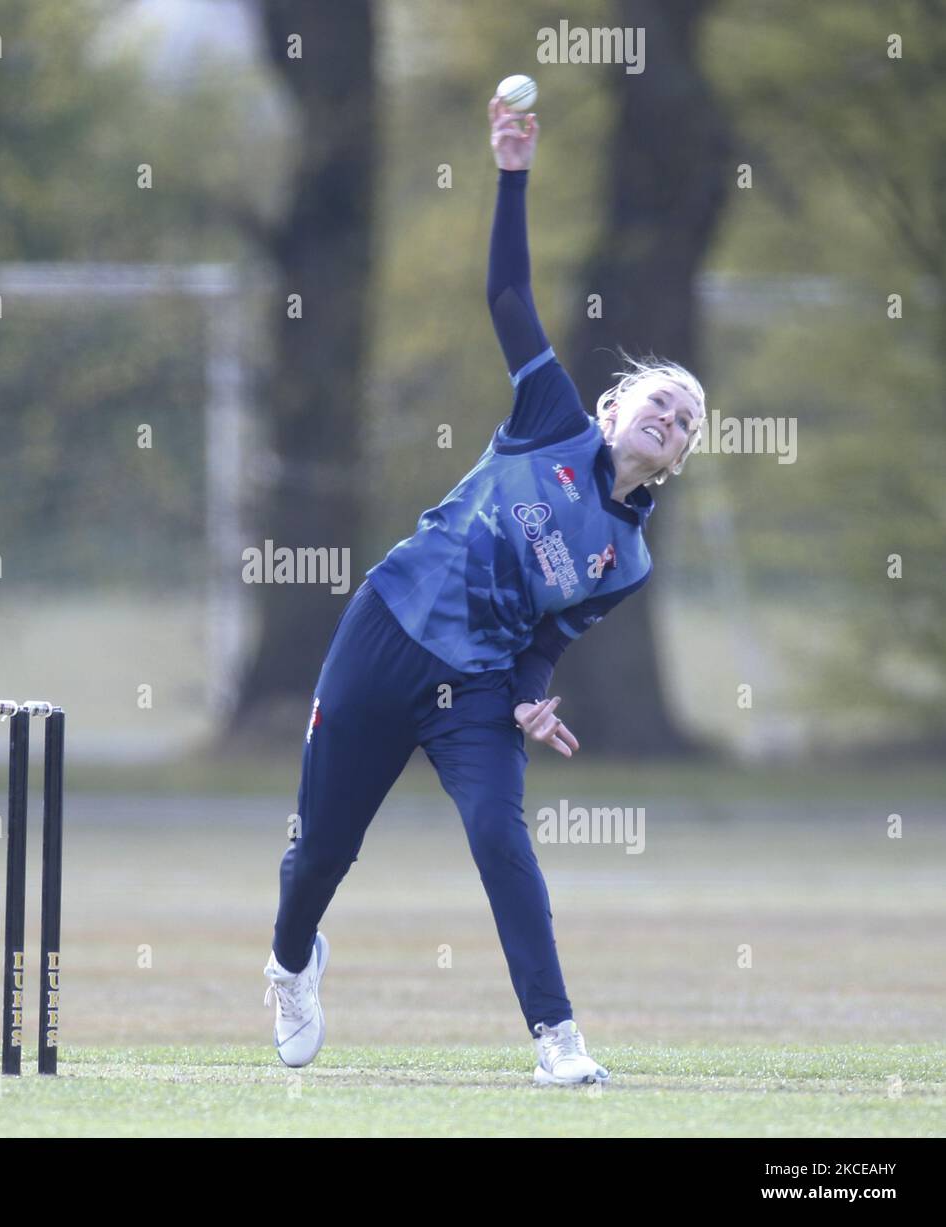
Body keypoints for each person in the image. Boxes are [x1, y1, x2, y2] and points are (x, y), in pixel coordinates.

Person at [262, 96, 707, 1085]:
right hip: (387, 629)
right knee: (322, 852)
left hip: (476, 693)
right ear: (611, 405)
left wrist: (533, 695)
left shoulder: (626, 562)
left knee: (500, 840)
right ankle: (291, 963)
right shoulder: (552, 419)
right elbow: (507, 296)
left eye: (684, 423)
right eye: (658, 400)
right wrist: (511, 175)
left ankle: (557, 1042)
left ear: (673, 461)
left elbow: (548, 638)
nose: (668, 418)